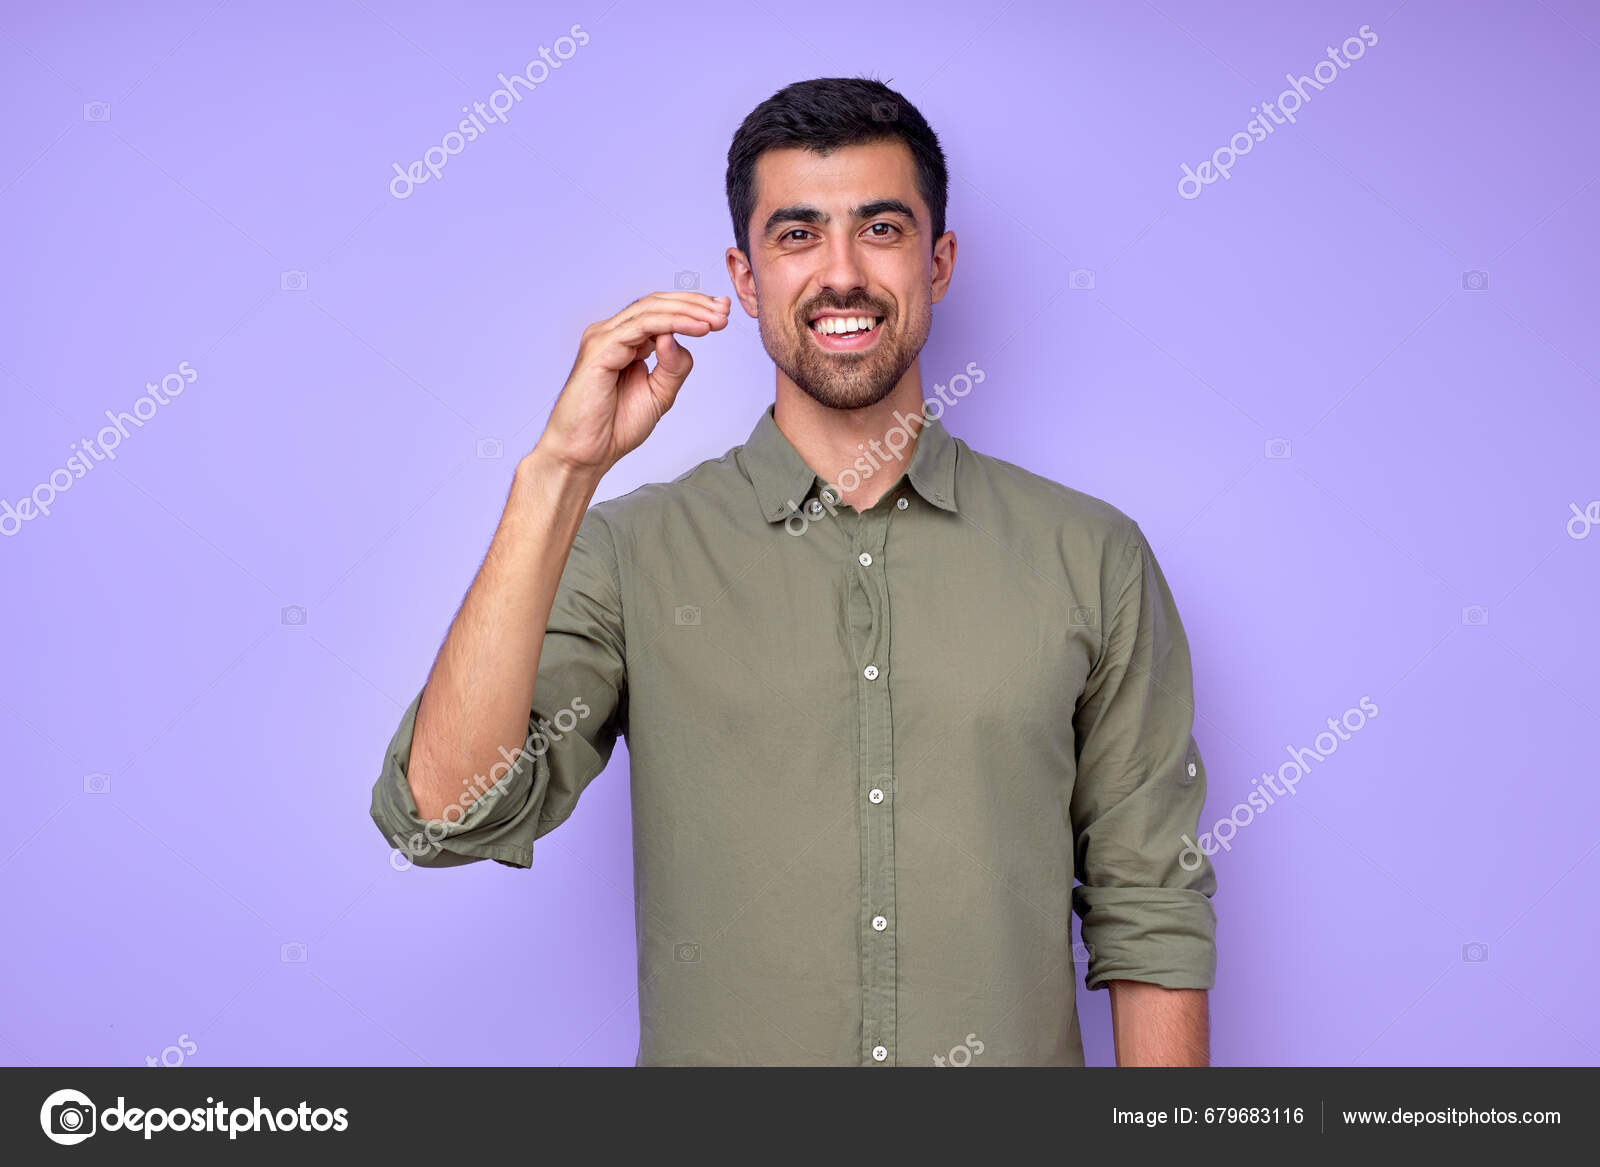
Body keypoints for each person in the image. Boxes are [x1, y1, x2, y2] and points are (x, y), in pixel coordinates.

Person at [370, 75, 1217, 1067]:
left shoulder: (1091, 557)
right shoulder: (630, 553)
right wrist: (558, 475)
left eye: (882, 229)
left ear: (938, 261)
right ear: (745, 275)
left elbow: (1149, 900)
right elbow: (442, 817)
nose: (842, 272)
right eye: (798, 234)